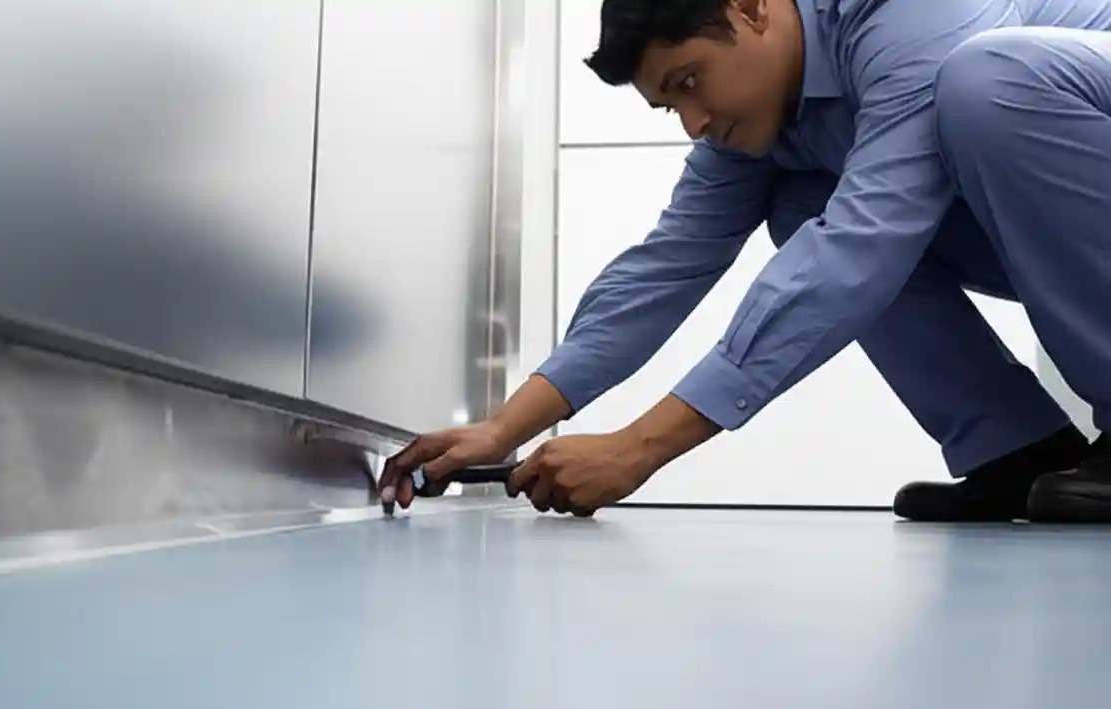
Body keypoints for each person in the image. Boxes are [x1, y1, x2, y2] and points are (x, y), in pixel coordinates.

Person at [382, 0, 1111, 522]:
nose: (695, 123)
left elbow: (862, 243)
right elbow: (664, 266)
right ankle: (1019, 453)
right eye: (671, 107)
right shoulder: (758, 126)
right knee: (802, 206)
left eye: (690, 81)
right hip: (1051, 213)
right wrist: (505, 429)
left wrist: (639, 448)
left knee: (986, 80)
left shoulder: (907, 16)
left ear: (752, 10)